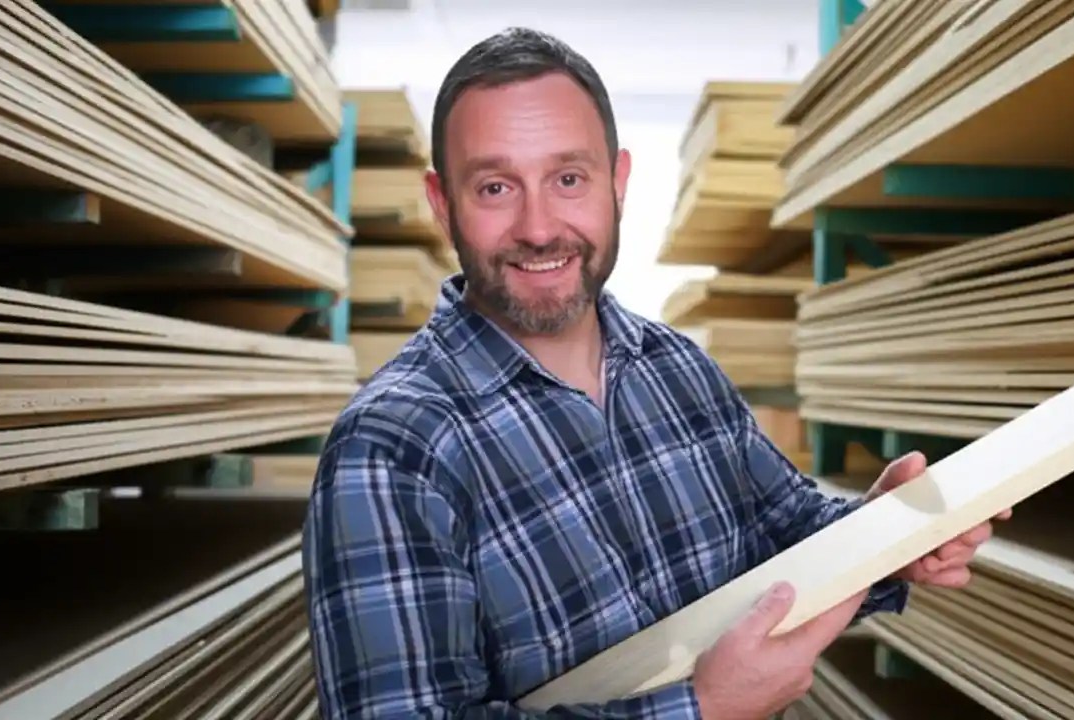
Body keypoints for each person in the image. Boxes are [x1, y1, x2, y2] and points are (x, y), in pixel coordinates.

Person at [302, 27, 1010, 719]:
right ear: (441, 203)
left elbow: (786, 528)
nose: (540, 227)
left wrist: (886, 533)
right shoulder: (392, 450)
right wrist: (703, 710)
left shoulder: (678, 369)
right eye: (495, 187)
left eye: (569, 178)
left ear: (619, 181)